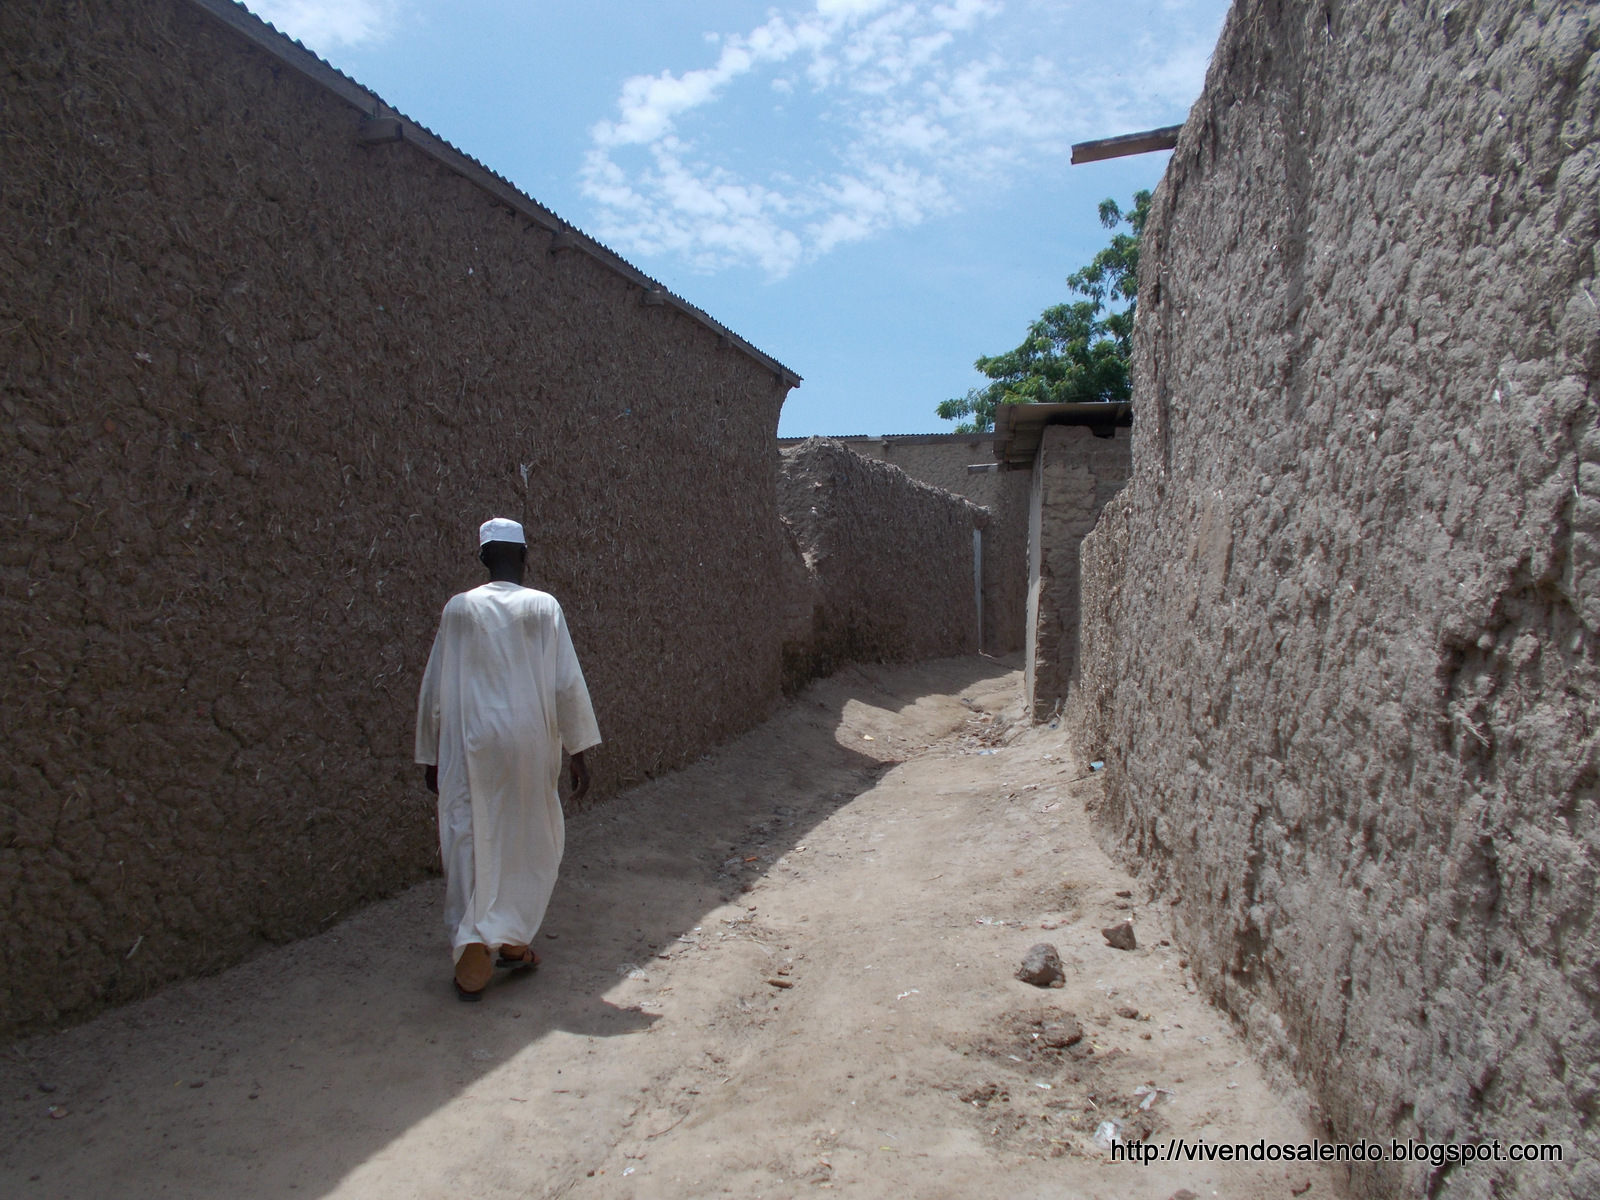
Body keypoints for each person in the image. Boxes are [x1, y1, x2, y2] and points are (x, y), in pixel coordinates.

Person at [414, 517, 601, 1000]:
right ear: (524, 557)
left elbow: (434, 688)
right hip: (528, 743)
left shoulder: (458, 609)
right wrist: (578, 751)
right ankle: (510, 942)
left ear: (482, 558)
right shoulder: (543, 607)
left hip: (469, 744)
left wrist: (431, 754)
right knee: (527, 837)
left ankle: (477, 953)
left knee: (469, 837)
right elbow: (566, 684)